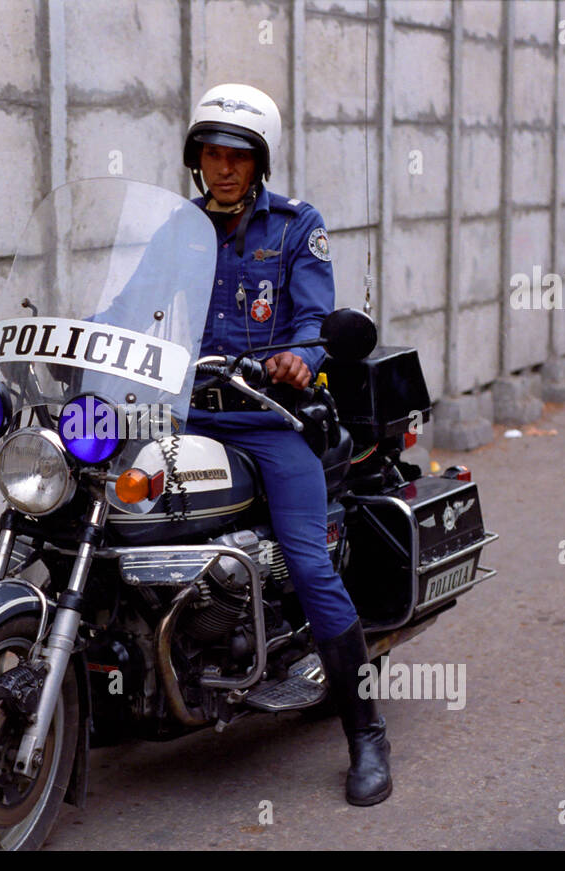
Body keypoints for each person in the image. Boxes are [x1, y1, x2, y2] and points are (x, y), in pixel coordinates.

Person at [180, 83, 391, 806]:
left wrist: (303, 355)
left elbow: (314, 317)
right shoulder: (176, 228)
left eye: (238, 156)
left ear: (258, 160)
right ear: (197, 158)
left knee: (308, 561)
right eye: (213, 153)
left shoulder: (297, 225)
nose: (225, 168)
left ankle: (365, 732)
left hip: (269, 417)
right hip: (179, 414)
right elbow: (129, 304)